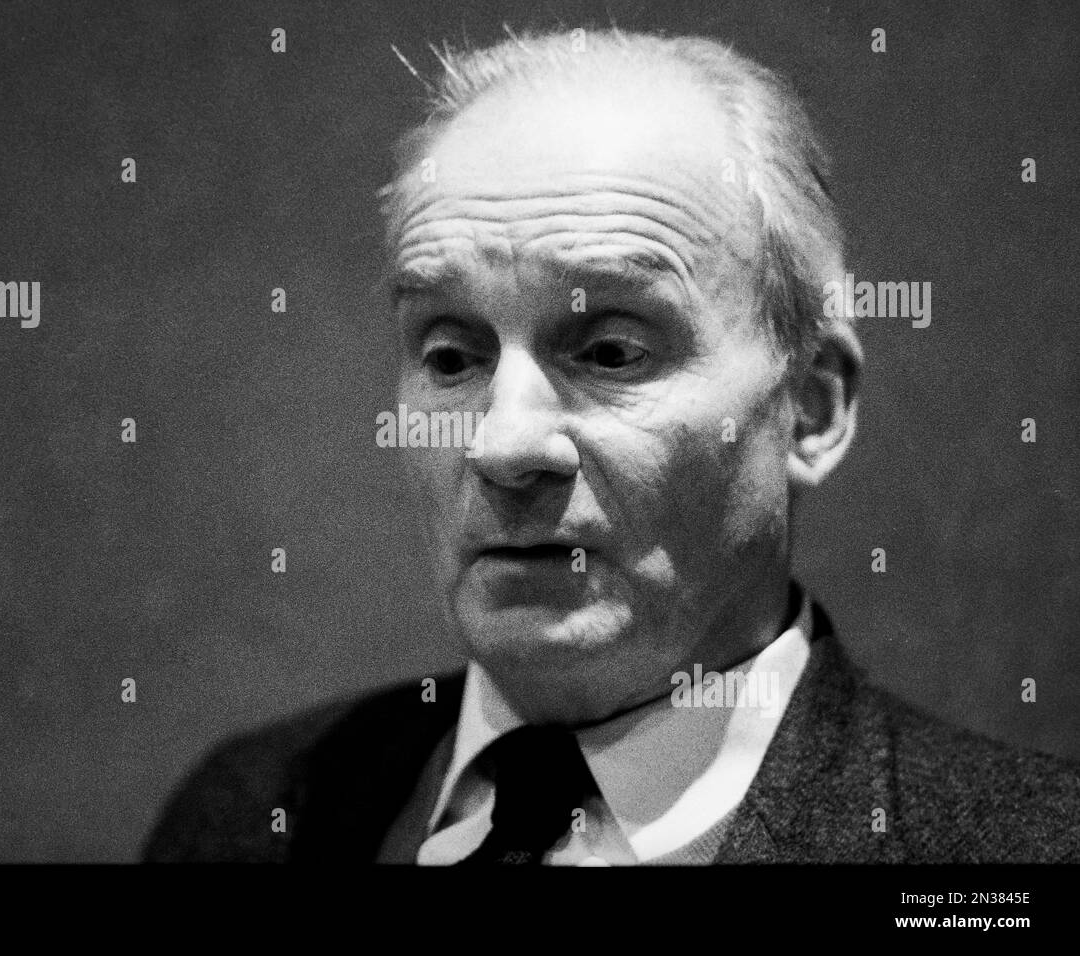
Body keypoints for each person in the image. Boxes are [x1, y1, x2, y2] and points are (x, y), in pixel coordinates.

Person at [144, 28, 1080, 864]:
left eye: (610, 351)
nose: (506, 444)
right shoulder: (248, 812)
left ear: (811, 406)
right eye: (450, 354)